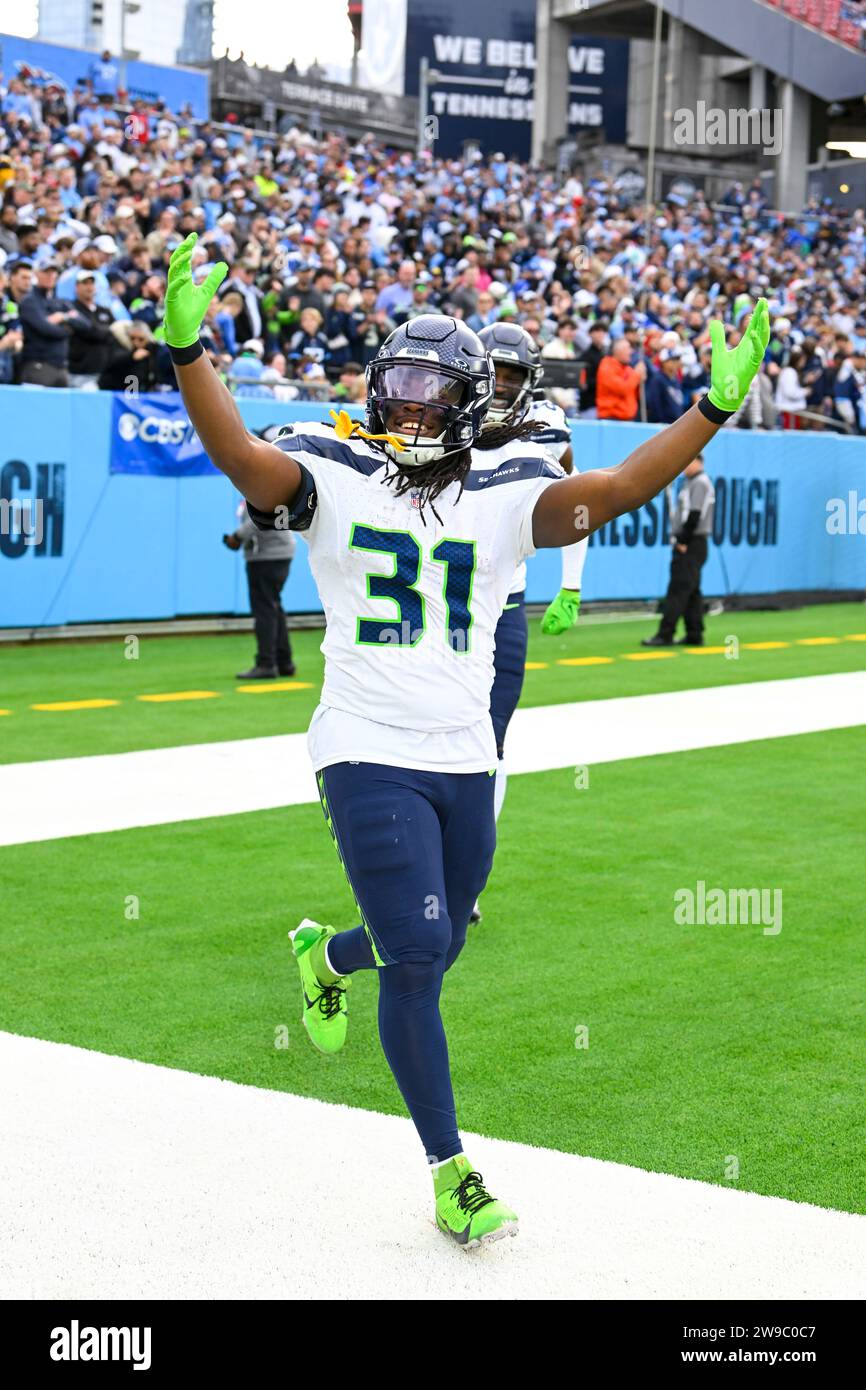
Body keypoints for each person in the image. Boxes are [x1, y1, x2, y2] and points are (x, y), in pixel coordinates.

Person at [164, 231, 769, 1247]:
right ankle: (450, 1170)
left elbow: (615, 492)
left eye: (424, 396)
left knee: (434, 943)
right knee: (417, 953)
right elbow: (241, 458)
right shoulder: (333, 468)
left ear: (465, 406)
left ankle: (322, 956)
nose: (405, 412)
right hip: (363, 744)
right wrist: (188, 355)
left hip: (463, 753)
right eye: (392, 393)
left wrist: (710, 406)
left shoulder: (504, 486)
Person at [641, 454, 715, 648]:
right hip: (694, 543)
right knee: (692, 591)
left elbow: (694, 515)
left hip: (691, 543)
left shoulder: (699, 482)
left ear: (698, 462)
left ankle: (665, 633)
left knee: (678, 589)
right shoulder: (692, 482)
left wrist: (683, 540)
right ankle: (694, 633)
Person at [223, 500, 296, 679]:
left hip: (265, 556)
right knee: (273, 606)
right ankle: (284, 662)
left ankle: (266, 663)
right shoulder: (271, 487)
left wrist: (237, 537)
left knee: (264, 610)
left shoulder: (258, 488)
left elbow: (258, 519)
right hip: (280, 552)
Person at [18, 260, 75, 386]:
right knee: (34, 405)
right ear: (37, 274)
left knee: (62, 406)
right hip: (38, 366)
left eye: (53, 272)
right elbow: (45, 328)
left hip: (61, 367)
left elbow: (84, 324)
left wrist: (62, 317)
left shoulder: (59, 301)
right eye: (46, 272)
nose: (51, 276)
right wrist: (67, 330)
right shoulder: (29, 300)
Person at [595, 336, 645, 421]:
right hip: (611, 419)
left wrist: (641, 376)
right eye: (628, 348)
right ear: (617, 351)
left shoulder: (628, 369)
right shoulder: (606, 366)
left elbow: (635, 391)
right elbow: (622, 389)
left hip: (628, 419)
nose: (631, 352)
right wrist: (637, 375)